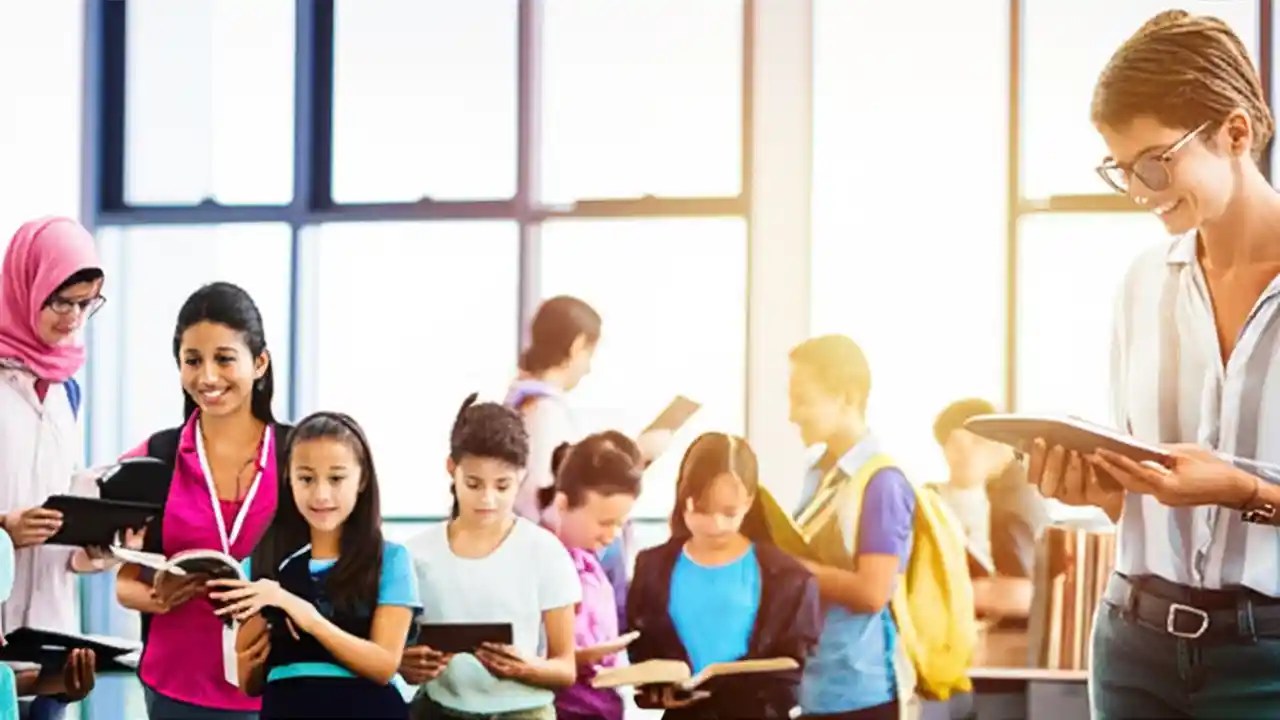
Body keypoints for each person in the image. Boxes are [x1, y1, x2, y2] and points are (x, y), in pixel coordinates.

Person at [1025, 10, 1280, 718]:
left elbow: (1217, 494)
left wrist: (1238, 489)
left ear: (1236, 132)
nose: (1139, 189)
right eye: (1121, 168)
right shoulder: (1142, 284)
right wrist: (1101, 489)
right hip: (1133, 644)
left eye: (1154, 162)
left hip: (1269, 661)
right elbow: (1146, 500)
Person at [114, 282, 290, 719]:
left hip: (280, 683)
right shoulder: (152, 460)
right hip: (176, 688)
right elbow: (123, 580)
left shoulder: (299, 456)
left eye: (225, 358)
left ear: (260, 362)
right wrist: (156, 597)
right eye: (192, 361)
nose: (207, 377)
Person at [212, 411, 420, 719]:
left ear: (361, 479)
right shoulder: (258, 566)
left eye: (336, 478)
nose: (321, 494)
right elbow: (250, 684)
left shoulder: (390, 560)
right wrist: (247, 657)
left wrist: (302, 612)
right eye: (306, 478)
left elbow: (383, 665)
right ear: (289, 479)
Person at [401, 394, 578, 720]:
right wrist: (406, 664)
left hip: (523, 711)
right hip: (440, 710)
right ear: (451, 469)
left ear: (522, 476)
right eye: (473, 483)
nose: (487, 499)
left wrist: (527, 668)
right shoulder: (416, 554)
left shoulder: (544, 552)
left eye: (502, 485)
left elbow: (566, 668)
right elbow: (399, 655)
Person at [0, 217, 112, 720]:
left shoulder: (68, 389)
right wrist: (4, 530)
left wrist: (91, 548)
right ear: (27, 287)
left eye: (86, 303)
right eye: (60, 300)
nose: (73, 317)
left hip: (50, 632)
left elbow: (59, 495)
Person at [627, 432, 820, 720]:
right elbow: (642, 654)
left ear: (750, 501)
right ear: (683, 497)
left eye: (729, 513)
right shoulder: (651, 568)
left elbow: (795, 667)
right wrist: (659, 691)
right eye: (702, 509)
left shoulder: (787, 578)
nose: (715, 525)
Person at [504, 295, 668, 629]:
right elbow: (545, 497)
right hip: (556, 560)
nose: (589, 367)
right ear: (577, 345)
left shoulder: (520, 402)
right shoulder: (543, 412)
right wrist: (637, 458)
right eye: (590, 353)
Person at [786, 335, 915, 720]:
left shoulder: (882, 482)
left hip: (860, 691)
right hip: (815, 685)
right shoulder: (819, 474)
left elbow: (873, 591)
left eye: (802, 399)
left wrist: (789, 566)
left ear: (846, 396)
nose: (792, 414)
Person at [538, 431, 644, 720]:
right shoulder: (537, 566)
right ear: (562, 505)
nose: (612, 535)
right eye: (604, 522)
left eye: (620, 524)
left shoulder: (593, 566)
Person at [931, 398, 1047, 622]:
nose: (965, 454)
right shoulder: (1001, 491)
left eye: (977, 442)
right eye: (954, 444)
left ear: (1003, 445)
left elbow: (1026, 594)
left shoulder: (1012, 503)